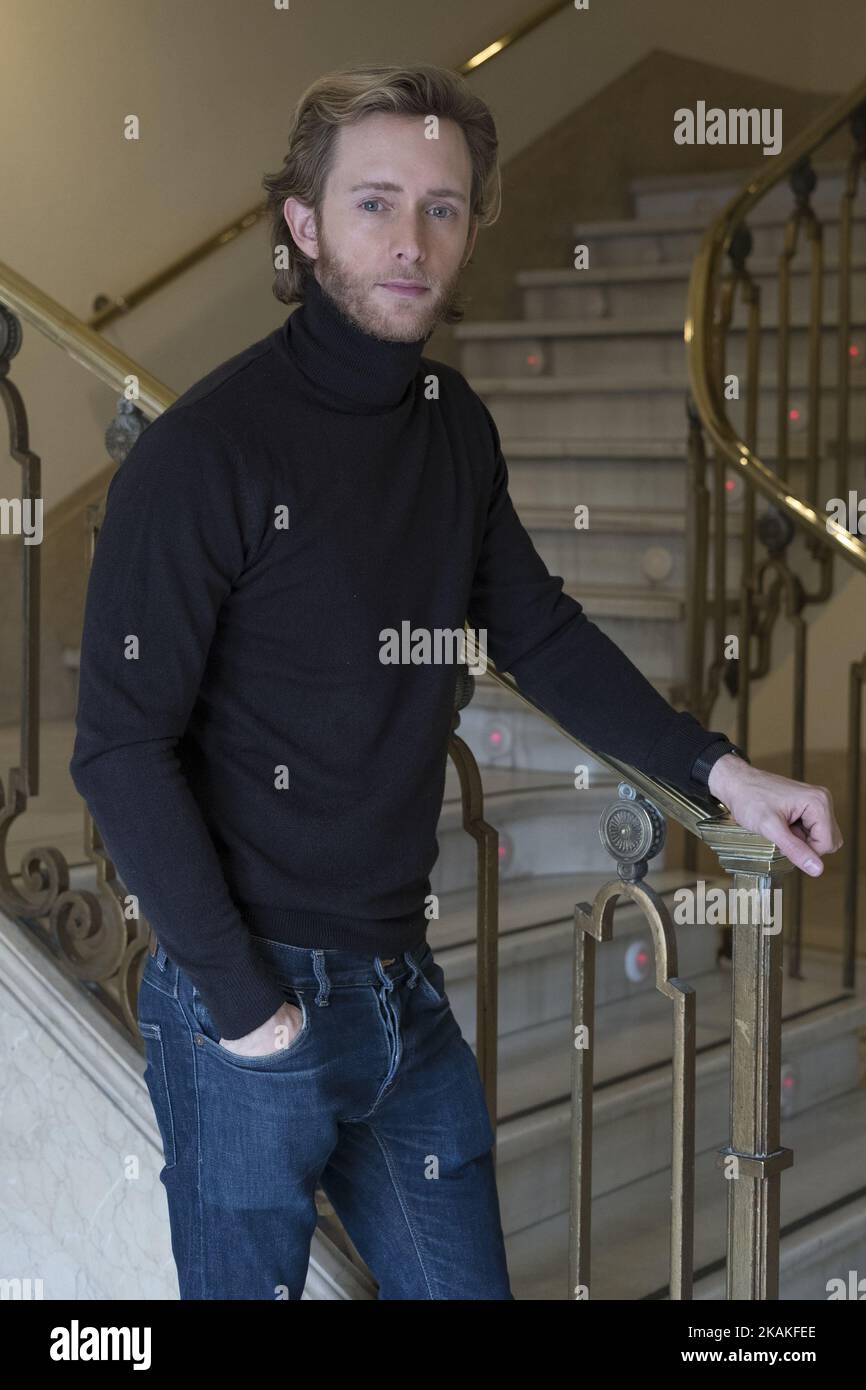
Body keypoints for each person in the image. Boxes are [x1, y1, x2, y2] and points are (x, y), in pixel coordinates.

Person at [69, 63, 842, 1301]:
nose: (413, 238)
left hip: (395, 989)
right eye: (374, 202)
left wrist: (718, 771)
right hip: (247, 997)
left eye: (445, 206)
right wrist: (246, 1011)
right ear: (304, 222)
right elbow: (113, 748)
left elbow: (535, 628)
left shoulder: (452, 423)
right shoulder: (202, 453)